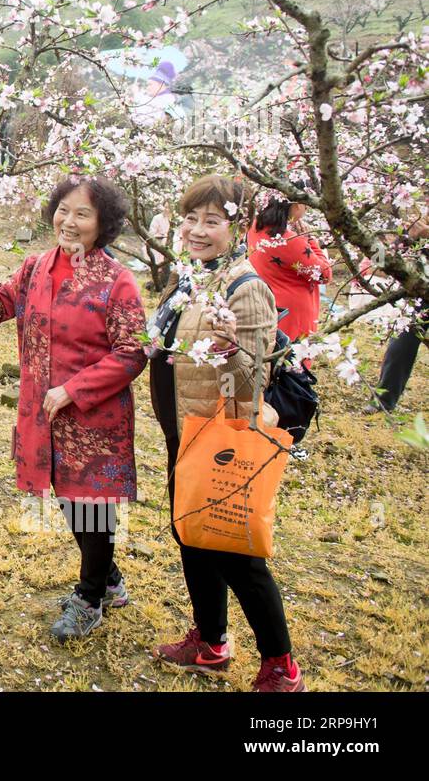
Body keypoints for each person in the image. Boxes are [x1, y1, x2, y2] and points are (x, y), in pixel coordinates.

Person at [0, 175, 148, 641]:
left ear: (102, 225)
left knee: (92, 508)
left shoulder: (116, 282)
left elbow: (132, 352)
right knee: (71, 504)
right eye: (64, 209)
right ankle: (109, 581)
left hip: (92, 418)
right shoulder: (36, 267)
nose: (69, 221)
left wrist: (74, 390)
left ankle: (90, 598)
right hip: (41, 413)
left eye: (82, 213)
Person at [149, 175, 304, 692]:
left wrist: (233, 351)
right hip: (184, 434)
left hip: (219, 442)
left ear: (235, 228)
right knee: (192, 536)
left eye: (211, 221)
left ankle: (281, 667)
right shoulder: (193, 277)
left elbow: (249, 393)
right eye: (190, 218)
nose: (196, 230)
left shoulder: (246, 288)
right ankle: (211, 642)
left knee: (237, 554)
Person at [248, 192, 333, 341]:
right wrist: (311, 240)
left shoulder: (255, 227)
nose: (306, 210)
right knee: (293, 358)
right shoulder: (290, 241)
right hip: (292, 315)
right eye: (306, 206)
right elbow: (324, 274)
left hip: (264, 305)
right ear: (297, 204)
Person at [366, 210, 429, 411]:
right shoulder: (417, 224)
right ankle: (383, 401)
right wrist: (407, 237)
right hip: (420, 293)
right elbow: (377, 265)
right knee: (402, 342)